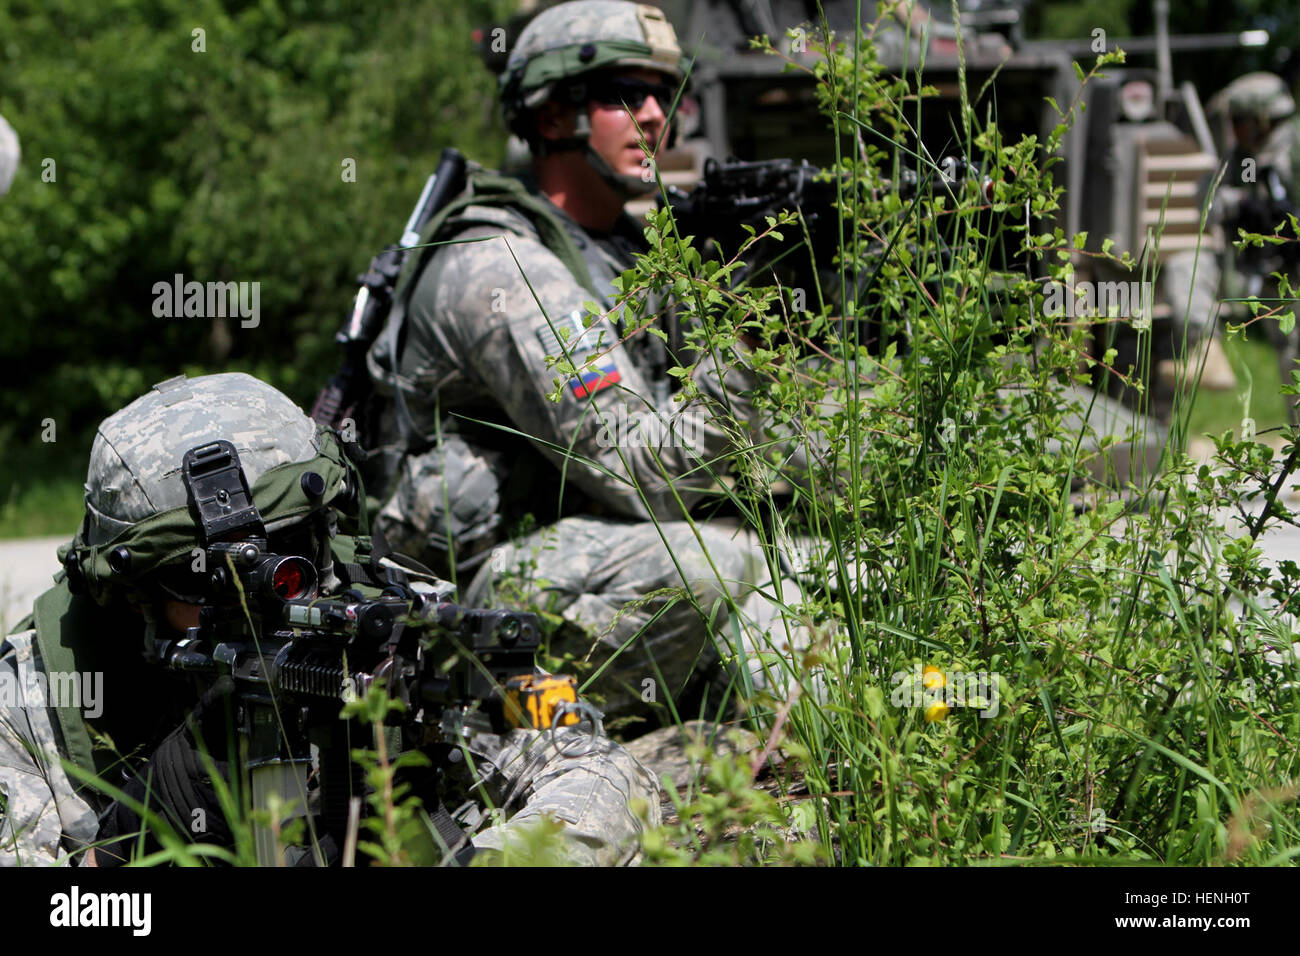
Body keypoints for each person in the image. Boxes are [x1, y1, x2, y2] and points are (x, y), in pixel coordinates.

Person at [0, 372, 658, 866]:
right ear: (130, 593)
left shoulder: (382, 621)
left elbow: (601, 771)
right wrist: (133, 836)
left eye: (286, 559)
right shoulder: (30, 704)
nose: (258, 605)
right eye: (203, 581)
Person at [365, 0, 812, 724]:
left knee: (820, 564)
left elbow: (726, 443)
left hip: (590, 551)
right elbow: (644, 476)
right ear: (551, 118)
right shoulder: (504, 269)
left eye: (663, 94)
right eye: (621, 95)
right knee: (710, 567)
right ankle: (527, 727)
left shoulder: (628, 250)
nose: (653, 115)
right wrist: (752, 344)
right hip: (466, 608)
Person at [1205, 72, 1300, 409]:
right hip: (1278, 277)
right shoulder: (1245, 158)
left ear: (1261, 119)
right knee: (1291, 361)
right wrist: (1241, 204)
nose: (1237, 131)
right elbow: (1208, 200)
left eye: (1240, 122)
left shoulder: (1292, 147)